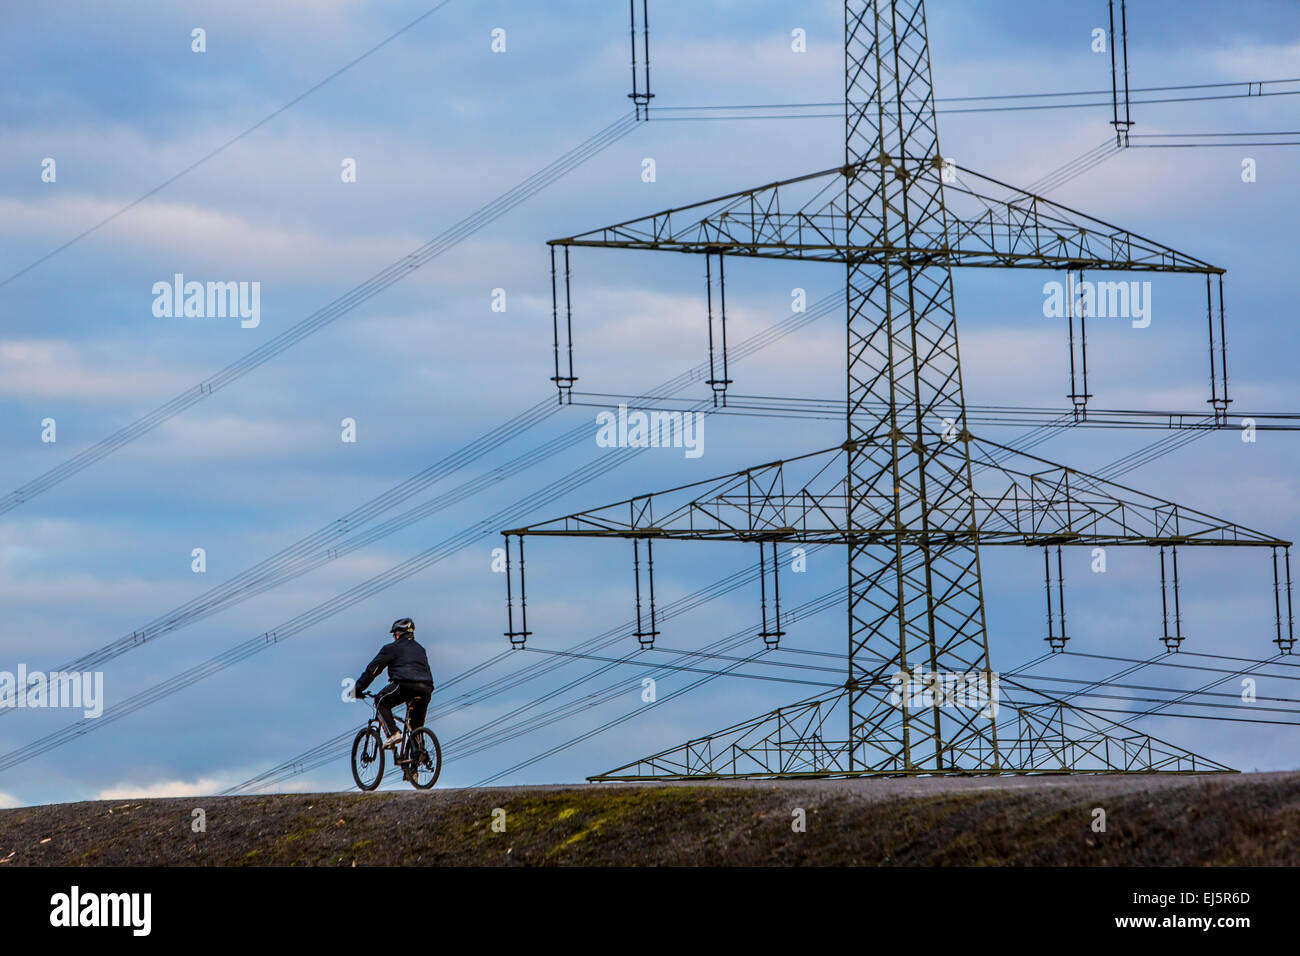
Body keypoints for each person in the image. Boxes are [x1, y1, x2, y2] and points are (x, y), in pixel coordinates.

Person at [353, 618, 435, 759]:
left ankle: (393, 733)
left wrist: (357, 689)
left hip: (404, 685)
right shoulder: (421, 649)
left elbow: (373, 670)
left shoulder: (391, 648)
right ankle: (416, 763)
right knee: (416, 726)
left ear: (398, 634)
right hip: (426, 688)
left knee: (381, 701)